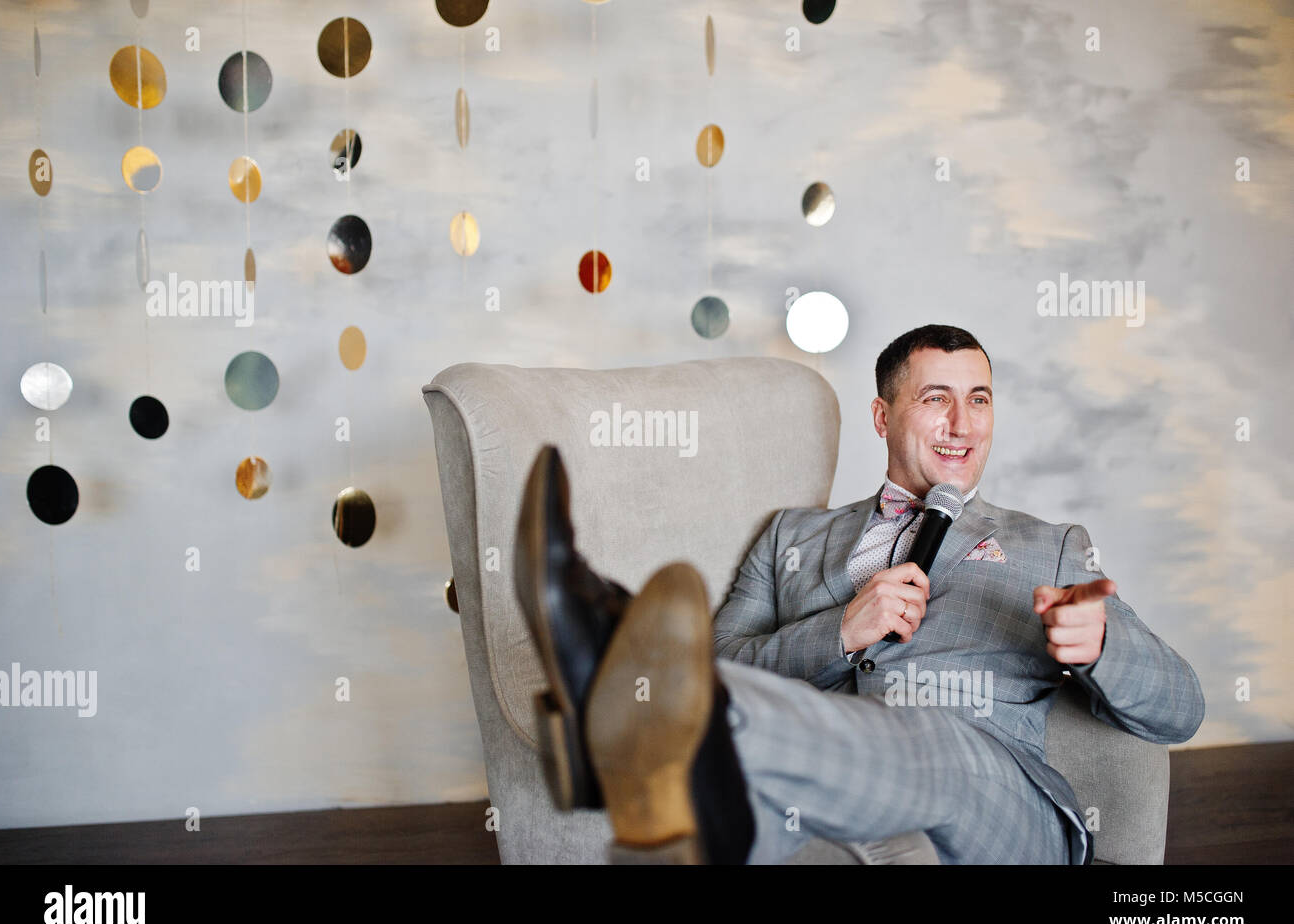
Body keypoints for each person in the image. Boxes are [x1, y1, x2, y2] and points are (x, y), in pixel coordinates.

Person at [514, 325, 1205, 865]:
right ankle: (633, 711)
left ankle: (607, 676)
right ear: (882, 415)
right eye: (936, 399)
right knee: (733, 811)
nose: (962, 425)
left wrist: (1103, 644)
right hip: (831, 798)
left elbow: (1182, 707)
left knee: (934, 739)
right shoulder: (793, 537)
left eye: (980, 400)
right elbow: (719, 657)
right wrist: (837, 631)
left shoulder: (1048, 546)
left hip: (998, 810)